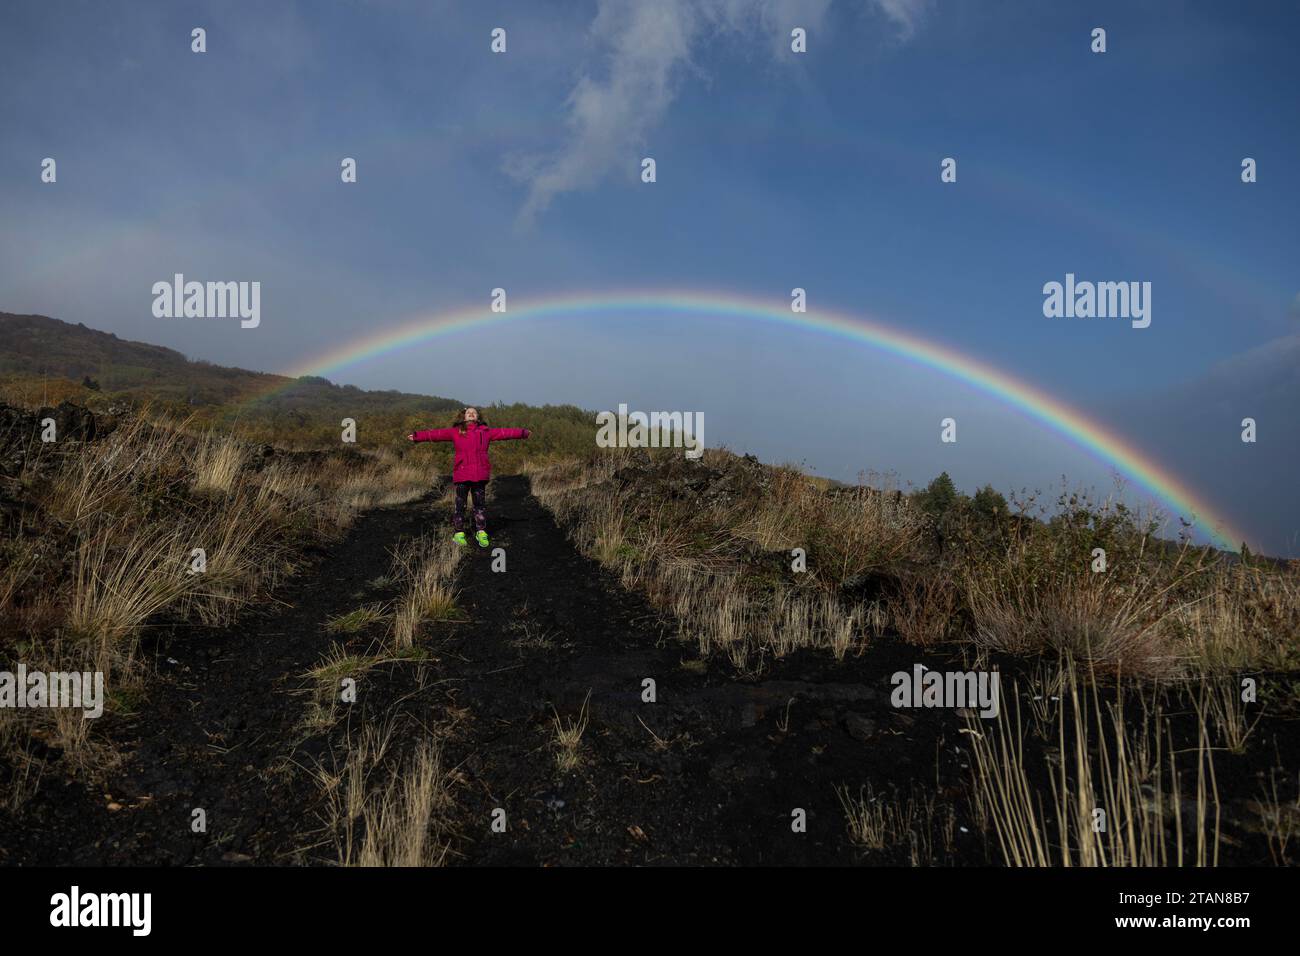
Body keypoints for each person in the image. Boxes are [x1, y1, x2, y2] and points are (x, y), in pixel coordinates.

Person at [407, 407, 530, 547]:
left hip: (480, 474)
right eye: (468, 412)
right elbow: (436, 434)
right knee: (460, 505)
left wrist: (523, 433)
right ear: (464, 417)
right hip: (462, 473)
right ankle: (459, 534)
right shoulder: (456, 431)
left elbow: (505, 432)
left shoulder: (486, 431)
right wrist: (417, 436)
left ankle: (481, 532)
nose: (471, 413)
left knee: (480, 505)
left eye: (474, 412)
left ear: (478, 417)